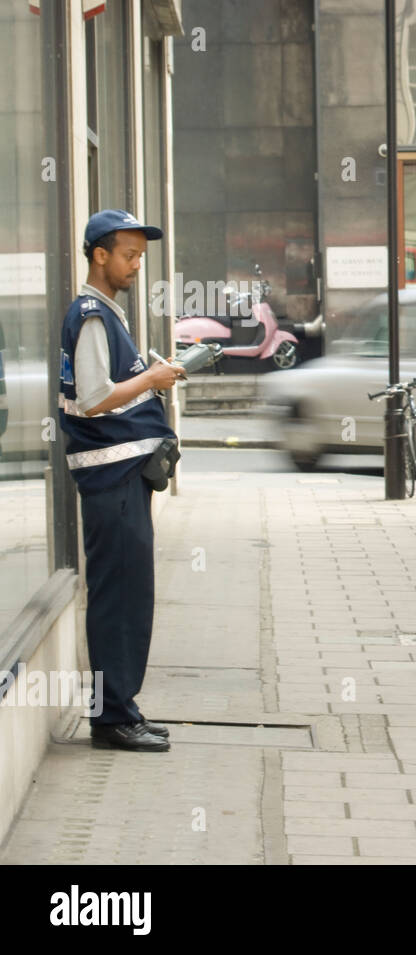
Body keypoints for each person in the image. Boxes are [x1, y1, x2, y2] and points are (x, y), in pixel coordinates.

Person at [57, 209, 183, 752]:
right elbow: (91, 398)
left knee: (131, 595)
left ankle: (122, 709)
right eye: (129, 255)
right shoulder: (90, 313)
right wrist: (152, 379)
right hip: (111, 481)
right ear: (98, 254)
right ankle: (110, 720)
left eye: (140, 257)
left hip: (123, 477)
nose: (136, 266)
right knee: (116, 598)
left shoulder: (105, 312)